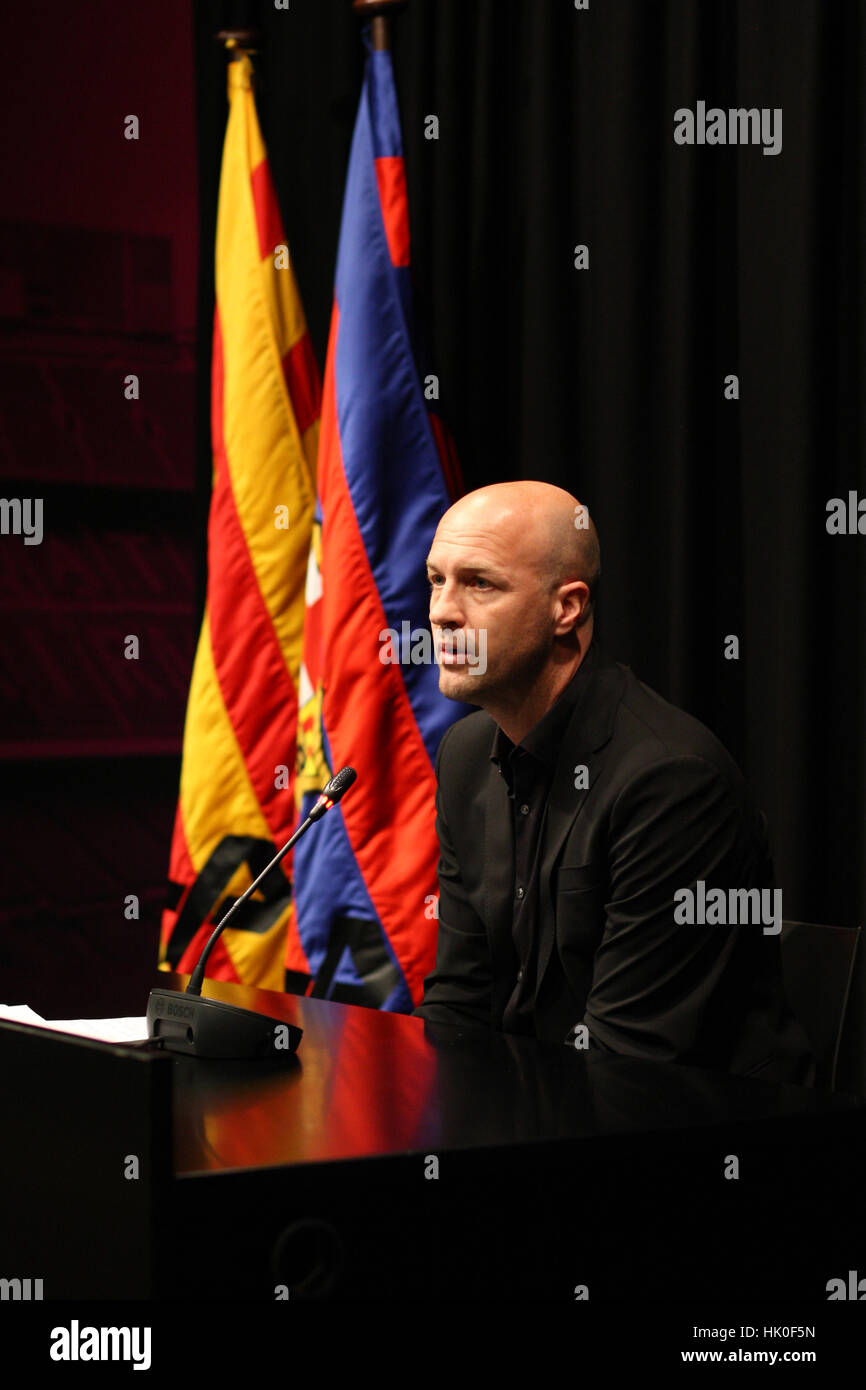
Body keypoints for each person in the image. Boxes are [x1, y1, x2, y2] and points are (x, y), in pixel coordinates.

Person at [413, 480, 815, 1085]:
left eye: (480, 583)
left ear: (566, 608)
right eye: (437, 580)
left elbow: (630, 1061)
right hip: (543, 1111)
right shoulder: (465, 755)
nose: (442, 611)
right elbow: (457, 1007)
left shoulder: (671, 781)